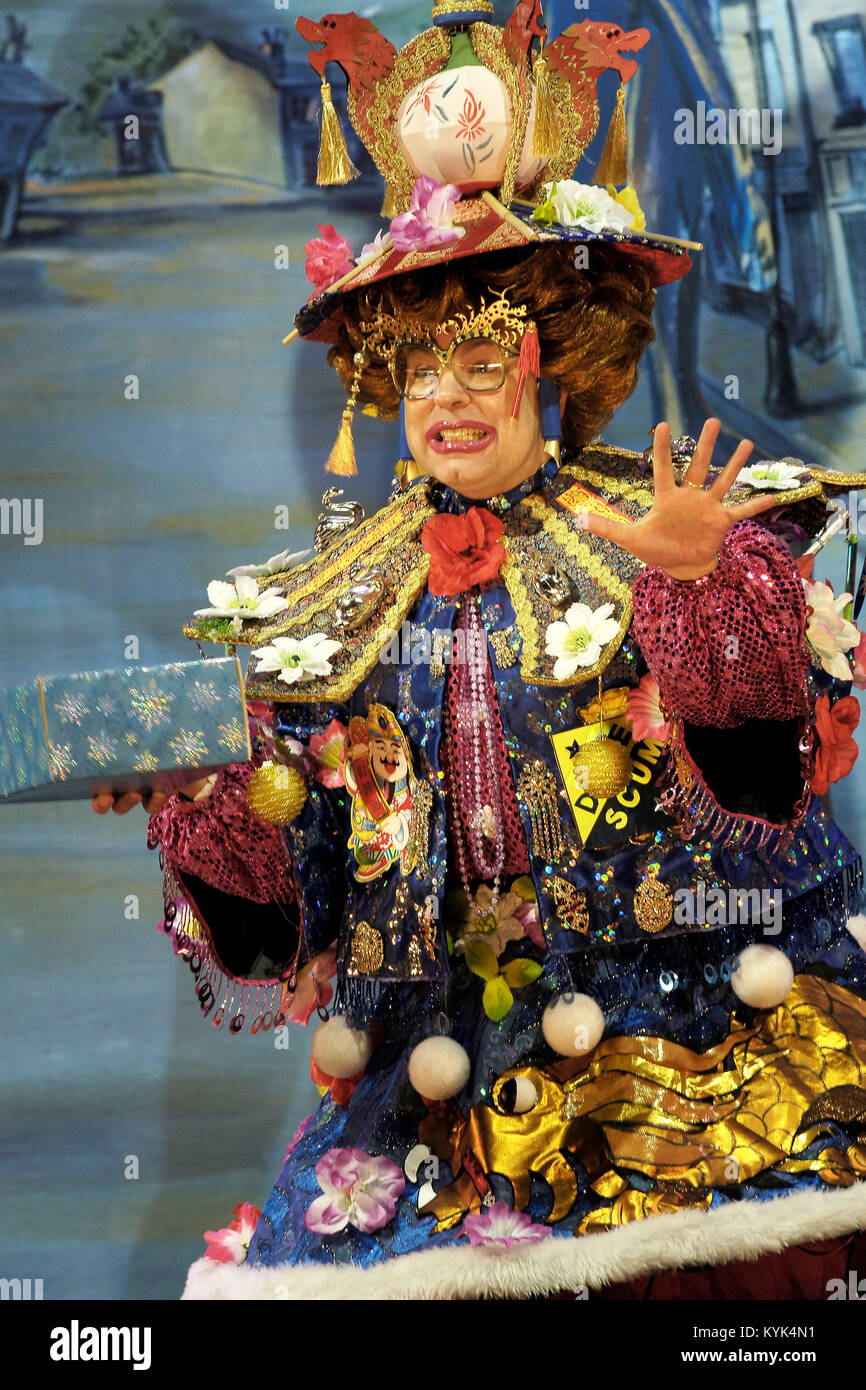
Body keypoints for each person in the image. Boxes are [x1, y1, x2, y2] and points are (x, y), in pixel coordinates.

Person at [93, 5, 866, 1299]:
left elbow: (762, 796)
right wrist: (211, 804)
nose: (444, 396)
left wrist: (697, 595)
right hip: (427, 1131)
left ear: (557, 356)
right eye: (415, 366)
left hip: (702, 1092)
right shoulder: (319, 609)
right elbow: (294, 924)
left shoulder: (673, 532)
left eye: (480, 355)